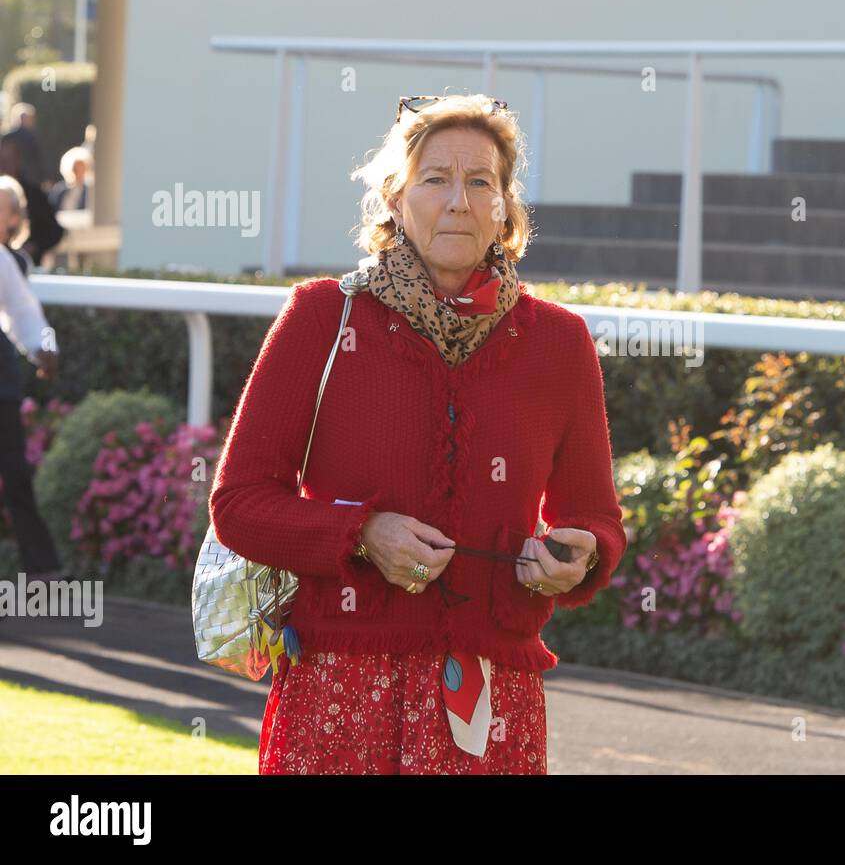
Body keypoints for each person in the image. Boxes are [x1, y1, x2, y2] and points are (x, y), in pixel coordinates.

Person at [208, 92, 627, 775]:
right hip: (339, 697)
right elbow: (239, 503)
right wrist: (362, 534)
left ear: (505, 210)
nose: (458, 200)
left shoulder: (559, 343)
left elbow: (596, 519)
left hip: (494, 704)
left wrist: (579, 554)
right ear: (395, 200)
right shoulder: (322, 318)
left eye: (481, 181)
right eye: (435, 179)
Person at [0, 175, 63, 581]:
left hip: (1, 379)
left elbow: (23, 310)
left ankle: (43, 570)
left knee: (15, 474)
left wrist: (45, 347)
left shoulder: (6, 260)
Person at [0, 104, 63, 264]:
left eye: (10, 158)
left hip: (25, 266)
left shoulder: (33, 194)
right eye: (2, 158)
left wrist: (33, 246)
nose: (5, 163)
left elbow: (54, 231)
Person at [49, 145, 93, 213]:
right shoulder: (59, 189)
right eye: (75, 169)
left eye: (81, 169)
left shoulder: (89, 191)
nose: (77, 172)